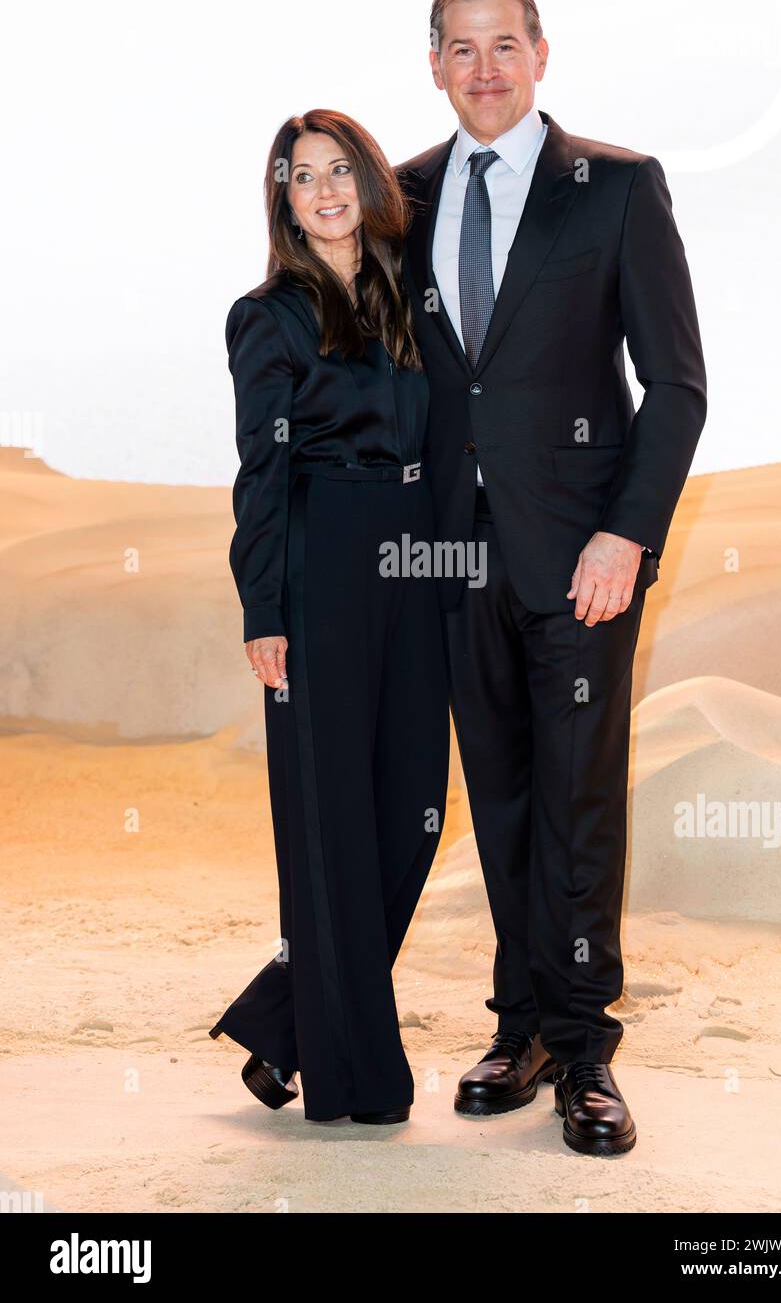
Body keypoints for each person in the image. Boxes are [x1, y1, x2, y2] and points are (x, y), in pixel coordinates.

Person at [397, 0, 707, 1154]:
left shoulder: (615, 189)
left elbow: (673, 385)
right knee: (504, 797)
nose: (483, 68)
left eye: (503, 45)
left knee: (577, 800)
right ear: (433, 65)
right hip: (449, 559)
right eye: (459, 49)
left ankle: (583, 1049)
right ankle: (517, 1024)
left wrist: (625, 533)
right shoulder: (403, 197)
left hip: (583, 557)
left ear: (540, 54)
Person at [209, 109, 450, 1125]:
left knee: (411, 812)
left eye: (339, 168)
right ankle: (354, 1080)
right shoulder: (264, 315)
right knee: (330, 823)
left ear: (367, 180)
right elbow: (259, 468)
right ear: (283, 199)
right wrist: (263, 606)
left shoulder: (411, 293)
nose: (324, 189)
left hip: (415, 554)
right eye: (301, 176)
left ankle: (285, 1019)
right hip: (319, 560)